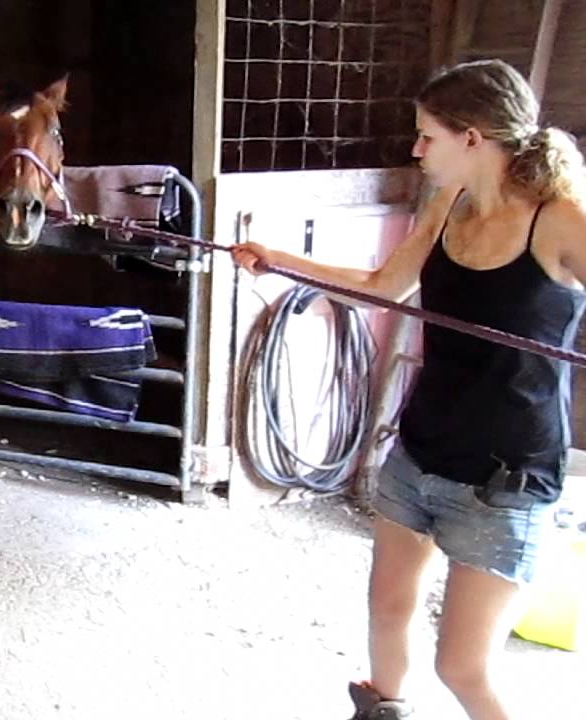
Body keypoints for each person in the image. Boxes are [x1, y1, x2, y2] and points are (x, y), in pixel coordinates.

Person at [231, 59, 586, 720]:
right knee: (386, 616)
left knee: (463, 668)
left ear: (473, 137)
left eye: (428, 136)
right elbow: (382, 287)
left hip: (503, 479)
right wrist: (277, 259)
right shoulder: (449, 203)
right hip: (420, 453)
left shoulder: (560, 218)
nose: (416, 149)